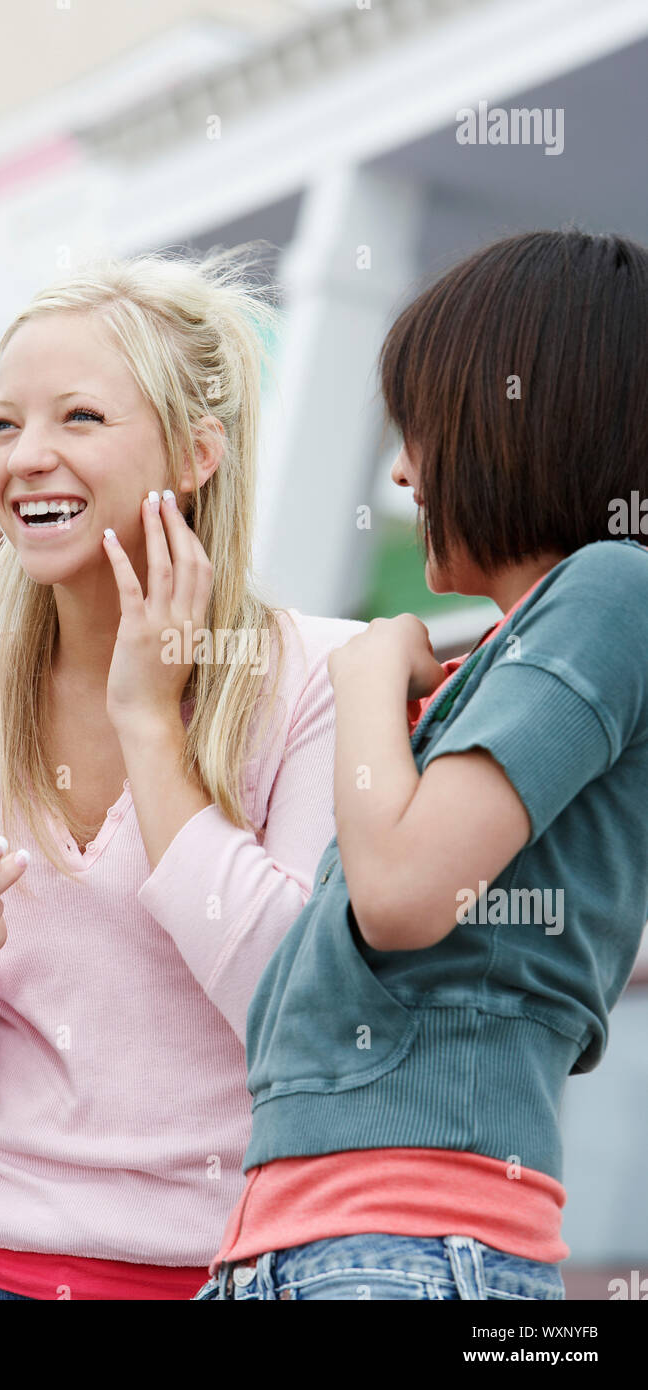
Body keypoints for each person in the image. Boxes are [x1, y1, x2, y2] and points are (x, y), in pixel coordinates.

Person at [0, 248, 364, 1301]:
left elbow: (293, 1008)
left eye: (78, 419)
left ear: (195, 451)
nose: (25, 457)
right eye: (1, 425)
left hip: (216, 1274)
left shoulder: (320, 675)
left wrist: (148, 723)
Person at [195, 227, 648, 1301]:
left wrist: (363, 680)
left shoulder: (610, 587)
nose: (401, 470)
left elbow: (400, 893)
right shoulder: (514, 651)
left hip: (401, 1246)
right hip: (309, 1244)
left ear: (515, 417)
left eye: (420, 428)